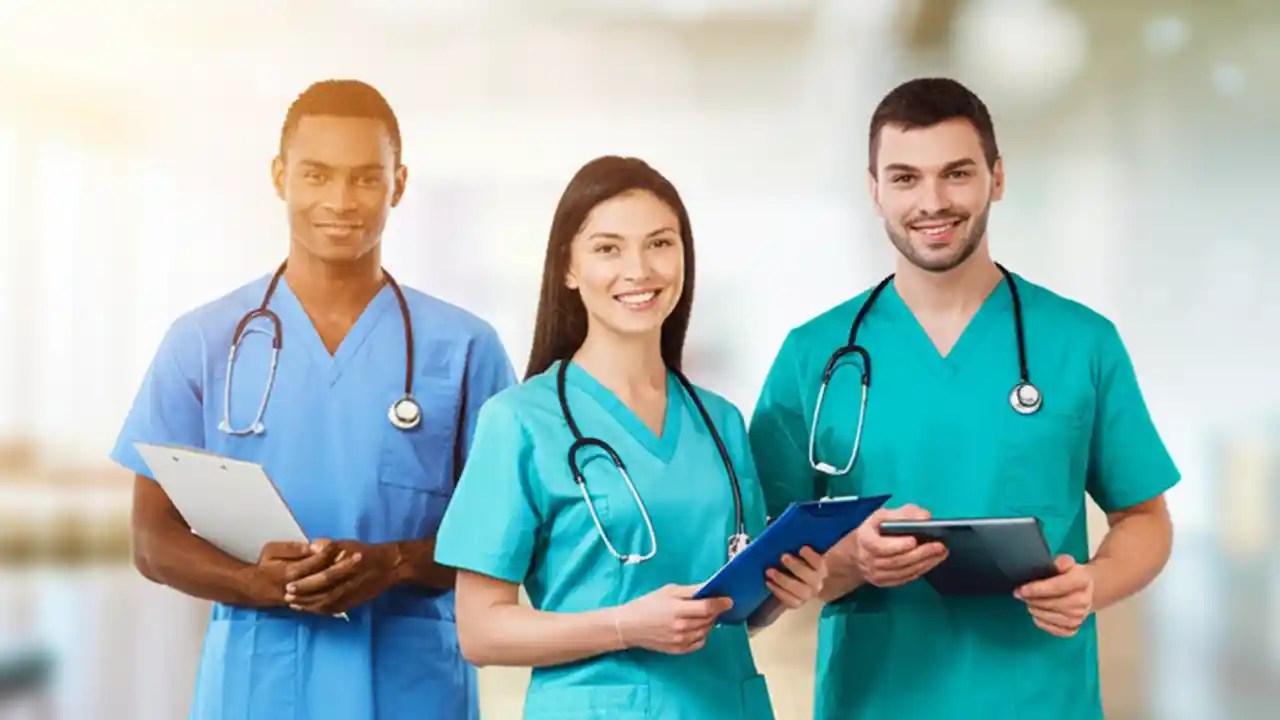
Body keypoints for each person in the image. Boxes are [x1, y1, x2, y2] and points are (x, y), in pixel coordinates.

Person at [749, 77, 1180, 719]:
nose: (932, 201)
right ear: (873, 191)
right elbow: (764, 565)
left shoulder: (1081, 343)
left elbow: (1145, 520)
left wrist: (1091, 585)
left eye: (956, 173)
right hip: (873, 701)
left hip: (1040, 700)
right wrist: (853, 559)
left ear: (996, 178)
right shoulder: (813, 356)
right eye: (904, 178)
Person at [111, 79, 515, 719]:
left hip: (412, 689)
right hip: (258, 688)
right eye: (317, 175)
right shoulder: (201, 343)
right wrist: (251, 583)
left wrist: (400, 563)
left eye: (365, 179)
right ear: (280, 177)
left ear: (399, 184)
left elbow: (506, 540)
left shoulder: (465, 350)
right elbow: (151, 540)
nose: (340, 201)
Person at [433, 155, 827, 719]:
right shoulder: (521, 421)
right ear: (568, 268)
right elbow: (481, 631)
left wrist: (782, 594)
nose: (639, 269)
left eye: (660, 244)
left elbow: (736, 608)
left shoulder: (721, 423)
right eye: (608, 248)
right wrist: (625, 626)